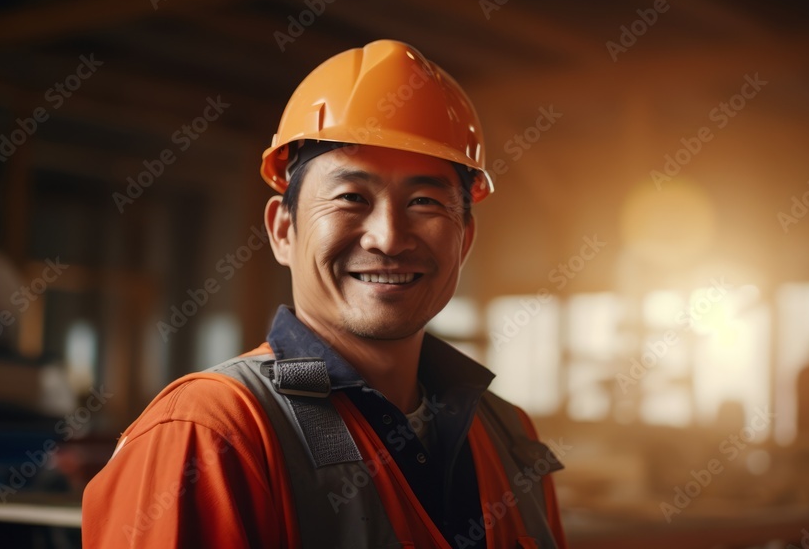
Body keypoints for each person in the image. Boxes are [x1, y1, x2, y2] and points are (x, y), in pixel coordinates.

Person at [82, 39, 567, 548]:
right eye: (351, 197)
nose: (389, 237)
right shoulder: (210, 435)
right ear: (283, 230)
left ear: (464, 240)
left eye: (425, 202)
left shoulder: (509, 435)